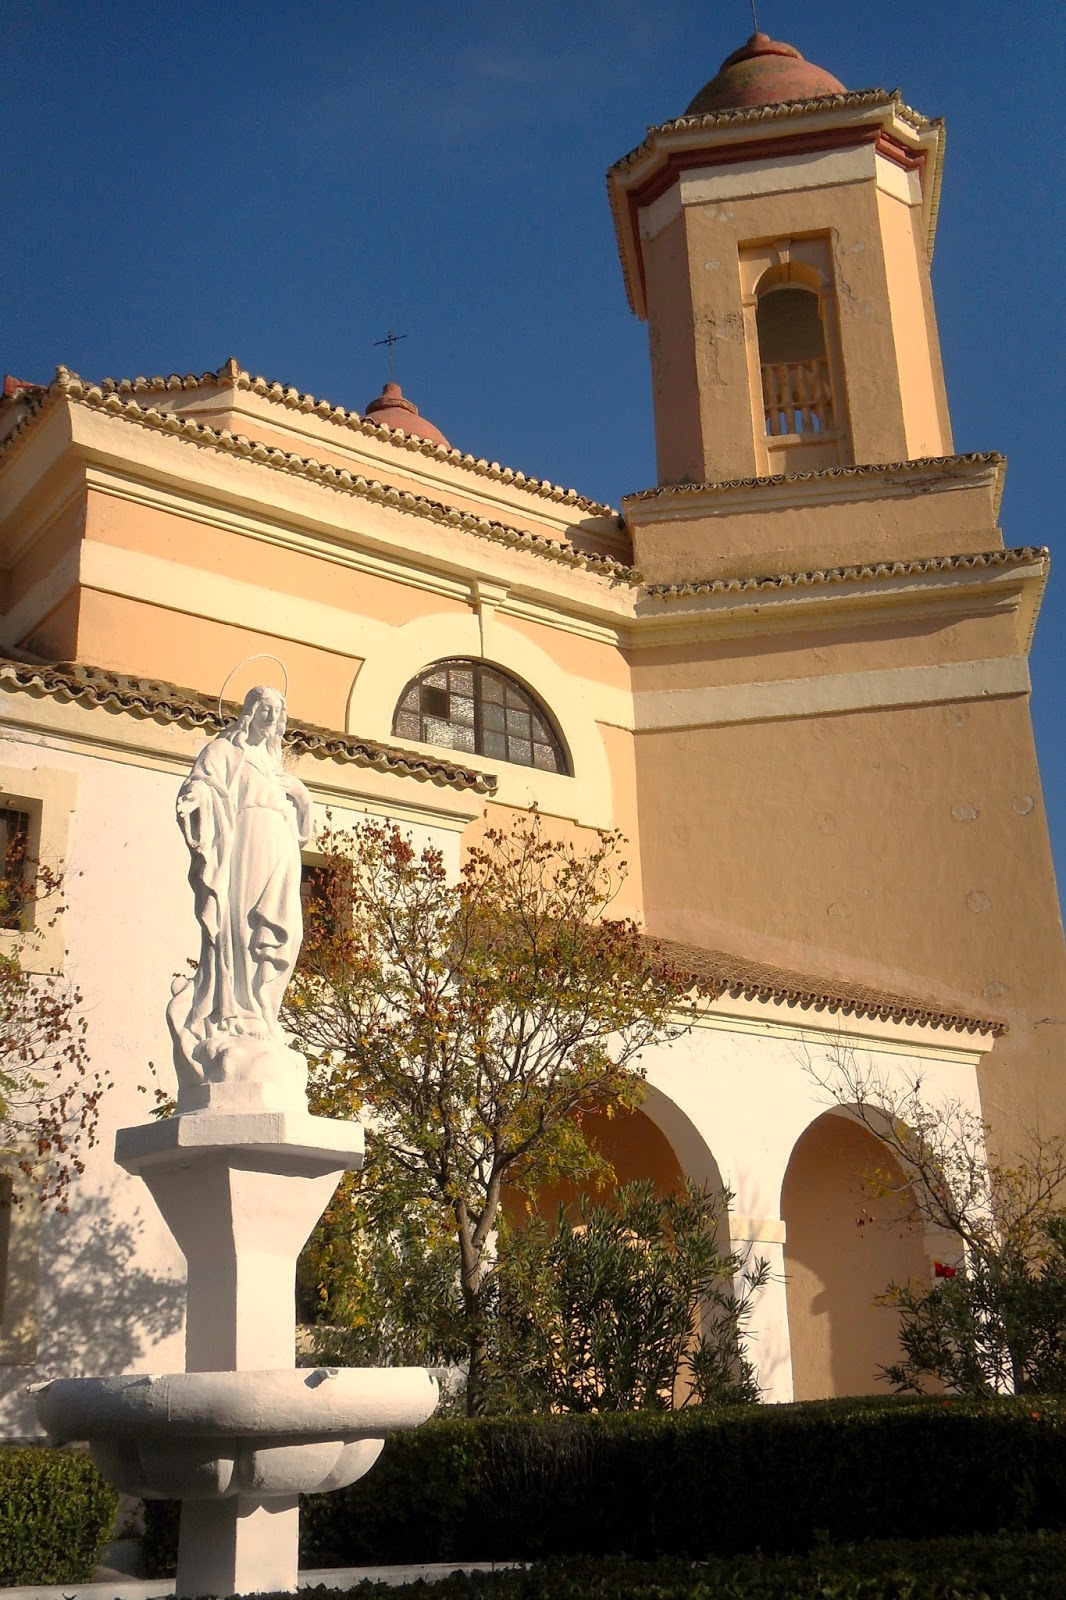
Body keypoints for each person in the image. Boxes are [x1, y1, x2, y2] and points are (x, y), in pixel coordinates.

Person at [173, 686, 313, 1058]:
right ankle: (239, 1010)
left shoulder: (274, 763)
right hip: (246, 841)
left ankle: (266, 1007)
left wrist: (301, 796)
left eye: (277, 711)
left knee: (288, 932)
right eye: (264, 709)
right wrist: (197, 798)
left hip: (280, 845)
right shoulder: (225, 750)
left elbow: (304, 827)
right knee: (243, 922)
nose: (270, 717)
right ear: (250, 711)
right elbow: (200, 783)